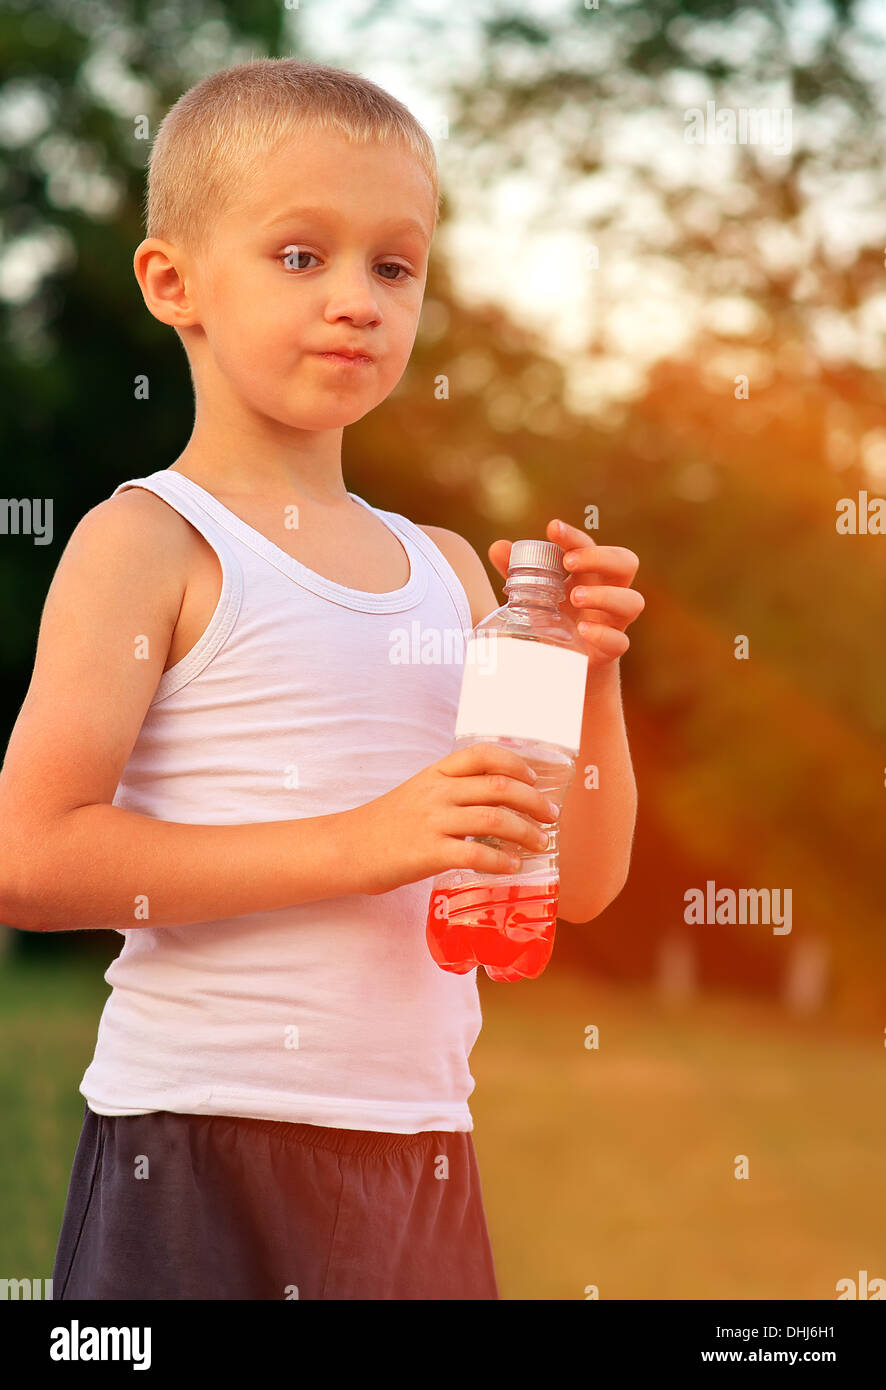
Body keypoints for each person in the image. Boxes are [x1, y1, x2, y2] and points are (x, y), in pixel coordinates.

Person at [0, 56, 564, 1299]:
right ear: (173, 281)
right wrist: (366, 840)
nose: (357, 299)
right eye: (301, 255)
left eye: (393, 264)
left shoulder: (454, 572)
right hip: (195, 1144)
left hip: (422, 1151)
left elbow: (570, 882)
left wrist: (599, 678)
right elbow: (31, 859)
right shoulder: (147, 543)